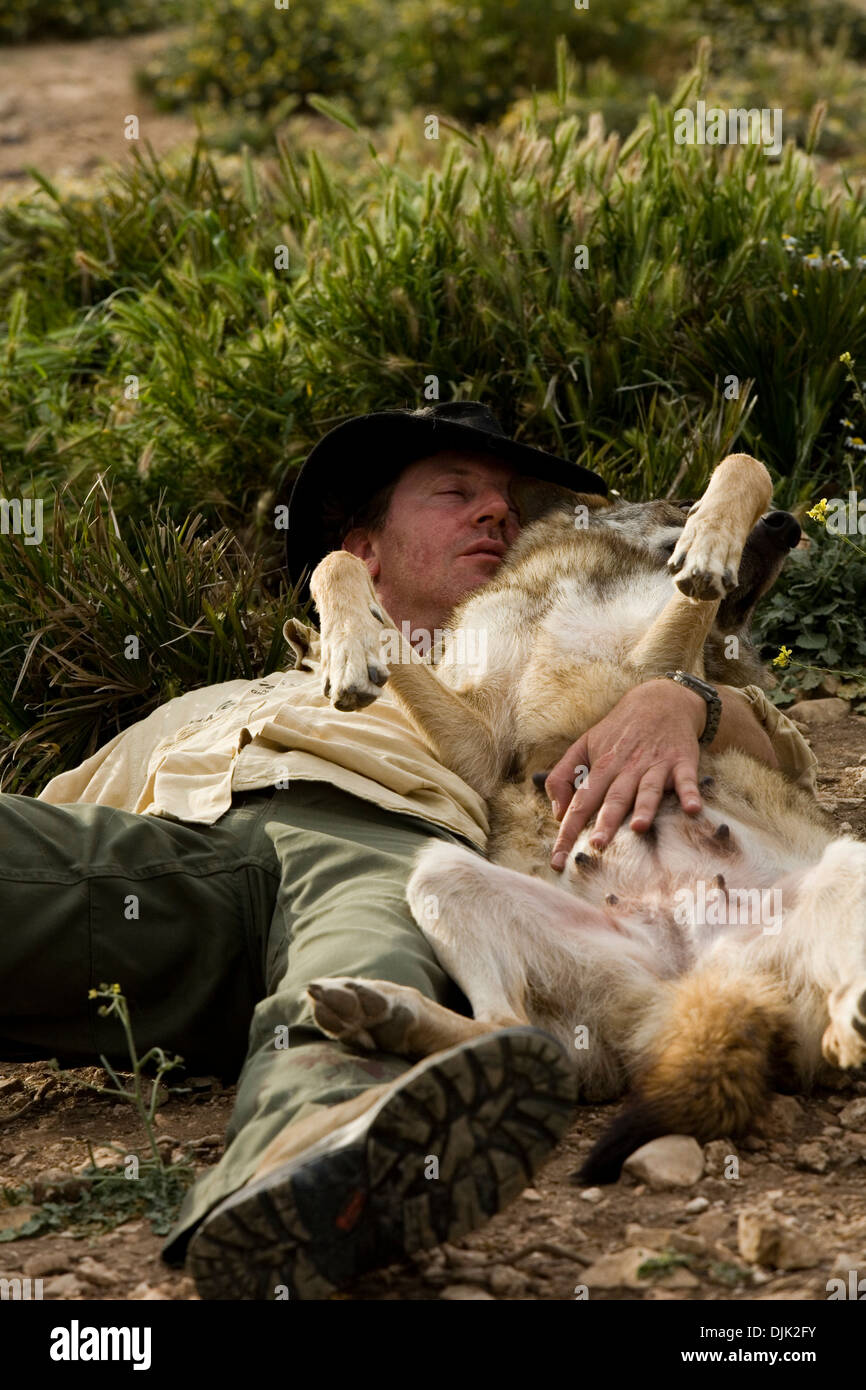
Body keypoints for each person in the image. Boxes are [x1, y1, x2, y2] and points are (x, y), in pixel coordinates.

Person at [2, 402, 816, 1300]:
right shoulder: (222, 695)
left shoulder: (559, 652)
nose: (496, 513)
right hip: (171, 866)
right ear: (366, 549)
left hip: (384, 846)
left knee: (358, 995)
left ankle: (309, 1178)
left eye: (507, 501)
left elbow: (774, 755)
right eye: (455, 493)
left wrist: (682, 698)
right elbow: (56, 820)